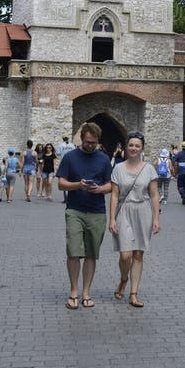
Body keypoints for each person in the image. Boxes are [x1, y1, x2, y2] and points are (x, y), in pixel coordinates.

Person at [56, 122, 112, 309]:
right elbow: (61, 184)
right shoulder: (70, 157)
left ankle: (86, 292)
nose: (90, 146)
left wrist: (100, 189)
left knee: (91, 254)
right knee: (73, 251)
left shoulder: (103, 159)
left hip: (97, 211)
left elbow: (111, 185)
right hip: (74, 210)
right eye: (87, 142)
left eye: (94, 143)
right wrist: (78, 185)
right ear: (81, 139)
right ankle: (74, 291)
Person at [109, 131, 160, 308]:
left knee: (138, 254)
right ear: (126, 146)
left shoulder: (149, 169)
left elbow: (154, 194)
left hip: (143, 211)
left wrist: (156, 218)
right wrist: (112, 219)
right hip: (124, 211)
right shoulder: (118, 168)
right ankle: (124, 279)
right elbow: (114, 195)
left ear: (142, 148)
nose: (133, 148)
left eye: (137, 145)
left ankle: (133, 293)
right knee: (125, 255)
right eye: (131, 145)